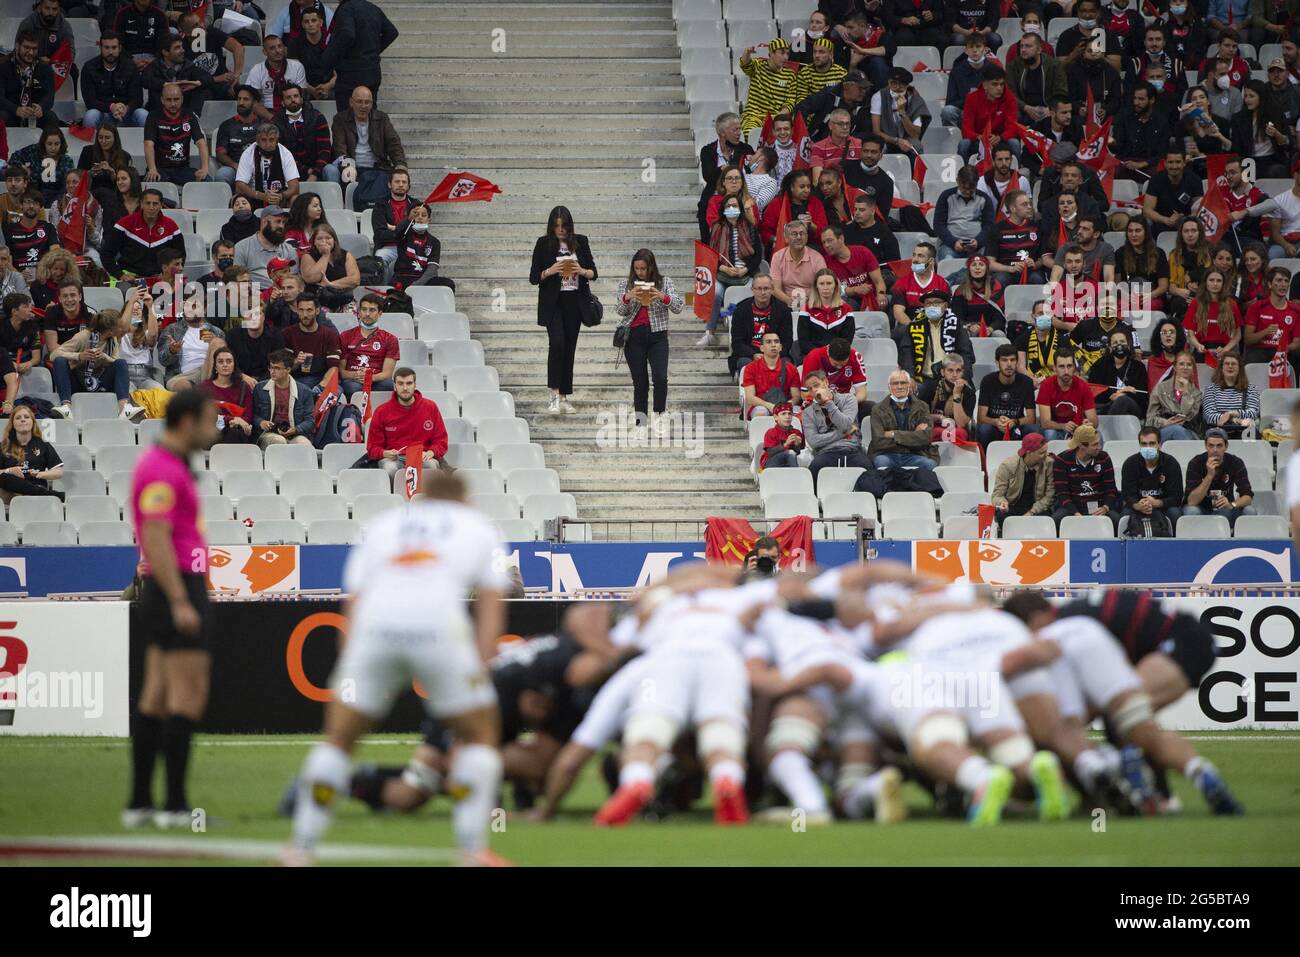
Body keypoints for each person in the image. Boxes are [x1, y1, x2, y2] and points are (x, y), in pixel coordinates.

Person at [284, 468, 508, 867]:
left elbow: (354, 596)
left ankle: (299, 849)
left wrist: (350, 652)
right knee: (477, 739)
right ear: (463, 498)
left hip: (374, 629)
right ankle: (472, 851)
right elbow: (492, 602)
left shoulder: (385, 524)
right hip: (439, 630)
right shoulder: (477, 526)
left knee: (338, 742)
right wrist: (483, 660)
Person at [123, 390, 220, 830]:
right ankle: (176, 807)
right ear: (186, 422)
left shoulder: (170, 464)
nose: (215, 429)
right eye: (209, 420)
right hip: (175, 585)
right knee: (186, 695)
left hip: (171, 585)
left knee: (157, 695)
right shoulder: (163, 469)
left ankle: (142, 802)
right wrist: (181, 599)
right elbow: (157, 537)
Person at [529, 205, 597, 415]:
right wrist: (550, 271)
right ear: (551, 226)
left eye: (564, 226)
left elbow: (594, 272)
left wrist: (581, 270)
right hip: (553, 302)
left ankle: (564, 396)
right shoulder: (543, 244)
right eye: (557, 226)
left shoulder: (581, 241)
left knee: (569, 347)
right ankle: (553, 394)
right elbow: (533, 277)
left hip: (575, 301)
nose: (560, 230)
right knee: (557, 343)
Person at [615, 249, 683, 437]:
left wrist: (661, 296)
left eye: (643, 268)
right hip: (634, 335)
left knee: (660, 377)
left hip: (658, 335)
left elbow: (679, 306)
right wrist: (628, 297)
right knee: (640, 381)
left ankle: (660, 414)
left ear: (651, 267)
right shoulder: (626, 284)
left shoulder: (665, 282)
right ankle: (640, 422)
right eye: (636, 268)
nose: (640, 272)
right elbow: (619, 310)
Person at [326, 86, 407, 211]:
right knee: (333, 170)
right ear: (351, 102)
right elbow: (339, 146)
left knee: (393, 178)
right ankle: (340, 209)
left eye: (367, 102)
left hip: (377, 167)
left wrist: (400, 164)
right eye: (359, 102)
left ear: (372, 103)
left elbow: (393, 143)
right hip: (351, 167)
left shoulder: (381, 118)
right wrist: (347, 164)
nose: (363, 106)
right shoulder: (340, 119)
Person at [50, 310, 140, 420]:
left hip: (99, 381)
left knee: (121, 363)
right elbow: (53, 354)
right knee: (60, 361)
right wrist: (79, 356)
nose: (123, 329)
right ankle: (66, 407)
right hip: (77, 382)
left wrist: (104, 357)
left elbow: (115, 361)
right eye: (120, 327)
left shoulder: (112, 340)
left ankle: (124, 409)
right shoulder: (83, 337)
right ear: (111, 330)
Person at [697, 194, 762, 346]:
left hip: (745, 275)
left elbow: (758, 256)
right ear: (723, 209)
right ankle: (710, 332)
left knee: (755, 294)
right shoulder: (716, 228)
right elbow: (709, 256)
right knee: (715, 294)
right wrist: (723, 268)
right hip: (723, 275)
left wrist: (744, 270)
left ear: (740, 208)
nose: (732, 209)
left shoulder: (750, 227)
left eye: (735, 206)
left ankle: (752, 334)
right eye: (728, 206)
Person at [364, 367, 448, 476]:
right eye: (400, 383)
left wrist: (431, 452)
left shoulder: (430, 407)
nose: (405, 388)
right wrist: (384, 453)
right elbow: (372, 447)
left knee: (430, 466)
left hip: (422, 457)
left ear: (415, 385)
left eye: (409, 383)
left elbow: (441, 441)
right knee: (389, 468)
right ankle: (392, 493)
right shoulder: (382, 411)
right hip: (393, 459)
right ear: (394, 386)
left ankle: (427, 493)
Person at [321, 0, 400, 111]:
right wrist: (373, 51)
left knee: (346, 117)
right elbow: (391, 32)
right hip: (372, 70)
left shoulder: (346, 8)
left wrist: (333, 59)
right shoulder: (373, 8)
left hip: (350, 72)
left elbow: (347, 34)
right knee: (371, 115)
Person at [1051, 423, 1120, 532]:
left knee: (1116, 520)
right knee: (1056, 520)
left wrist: (1105, 508)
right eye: (1095, 444)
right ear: (1082, 445)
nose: (1099, 447)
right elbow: (1062, 494)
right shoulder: (1062, 460)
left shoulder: (1104, 457)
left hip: (1100, 506)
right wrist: (1075, 513)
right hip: (1073, 507)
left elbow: (1111, 489)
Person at [896, 288, 974, 383]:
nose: (932, 306)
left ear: (945, 306)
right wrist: (910, 377)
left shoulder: (956, 324)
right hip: (922, 379)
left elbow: (966, 353)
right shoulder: (914, 325)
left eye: (937, 302)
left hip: (952, 378)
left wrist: (964, 378)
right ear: (924, 306)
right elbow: (906, 353)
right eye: (928, 303)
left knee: (965, 394)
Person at [1183, 428, 1256, 528]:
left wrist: (1232, 504)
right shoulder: (1195, 463)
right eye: (1211, 446)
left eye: (1219, 446)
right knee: (1191, 511)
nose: (1215, 450)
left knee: (1250, 511)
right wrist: (1209, 475)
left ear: (1226, 446)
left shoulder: (1235, 462)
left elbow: (1248, 496)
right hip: (1202, 510)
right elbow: (1192, 502)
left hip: (1227, 508)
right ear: (1206, 446)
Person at [143, 83, 211, 187]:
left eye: (176, 99)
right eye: (169, 100)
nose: (173, 104)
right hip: (160, 169)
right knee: (151, 180)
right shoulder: (153, 116)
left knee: (206, 179)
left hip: (183, 169)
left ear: (182, 99)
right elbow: (148, 144)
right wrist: (152, 169)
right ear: (162, 100)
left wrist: (205, 169)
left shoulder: (189, 115)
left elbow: (201, 143)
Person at [867, 369, 936, 471]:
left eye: (903, 383)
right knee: (881, 462)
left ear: (909, 385)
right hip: (886, 455)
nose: (899, 387)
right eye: (895, 383)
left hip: (915, 454)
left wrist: (893, 434)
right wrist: (913, 435)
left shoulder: (922, 407)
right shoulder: (877, 409)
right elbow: (879, 442)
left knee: (930, 464)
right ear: (889, 387)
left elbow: (926, 438)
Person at [1121, 427, 1185, 533]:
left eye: (1152, 443)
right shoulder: (1130, 463)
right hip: (1138, 505)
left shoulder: (1171, 463)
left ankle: (1175, 544)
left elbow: (1176, 496)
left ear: (1159, 444)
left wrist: (1156, 503)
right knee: (1124, 514)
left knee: (1175, 513)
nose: (1148, 447)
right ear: (1139, 445)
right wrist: (1138, 505)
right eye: (1144, 444)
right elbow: (1128, 495)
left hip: (1163, 506)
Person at [81, 31, 149, 129]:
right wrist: (111, 107)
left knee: (143, 115)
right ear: (100, 48)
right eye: (107, 48)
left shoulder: (131, 66)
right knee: (90, 116)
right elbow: (90, 101)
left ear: (120, 48)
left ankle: (146, 144)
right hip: (103, 113)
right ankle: (92, 144)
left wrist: (126, 108)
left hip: (126, 113)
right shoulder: (89, 68)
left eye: (114, 47)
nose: (110, 52)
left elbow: (137, 99)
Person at [1231, 165, 1300, 261]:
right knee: (1272, 256)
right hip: (1284, 241)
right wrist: (1287, 245)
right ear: (1295, 175)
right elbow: (1274, 234)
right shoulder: (1280, 200)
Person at [975, 342, 1039, 446]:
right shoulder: (987, 381)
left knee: (1032, 429)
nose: (1009, 364)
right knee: (984, 429)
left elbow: (1031, 418)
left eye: (1012, 360)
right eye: (1004, 360)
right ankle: (985, 460)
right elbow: (981, 418)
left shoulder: (1026, 382)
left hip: (1016, 425)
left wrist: (1014, 422)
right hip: (994, 426)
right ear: (997, 362)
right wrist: (996, 422)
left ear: (1017, 362)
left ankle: (1028, 460)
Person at [728, 274, 792, 376]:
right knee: (745, 364)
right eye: (759, 288)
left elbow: (787, 342)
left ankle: (780, 392)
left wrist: (771, 354)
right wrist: (753, 354)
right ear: (752, 290)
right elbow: (737, 342)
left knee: (787, 365)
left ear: (772, 290)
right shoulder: (741, 309)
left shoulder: (783, 310)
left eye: (766, 288)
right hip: (749, 354)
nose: (763, 292)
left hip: (776, 353)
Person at [254, 348, 317, 449]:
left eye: (277, 368)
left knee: (304, 445)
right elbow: (253, 415)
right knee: (279, 441)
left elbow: (310, 421)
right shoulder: (260, 388)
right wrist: (261, 422)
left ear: (288, 369)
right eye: (271, 367)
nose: (272, 371)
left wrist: (296, 429)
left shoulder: (304, 391)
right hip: (268, 433)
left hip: (295, 434)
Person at [0, 404, 63, 504]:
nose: (23, 420)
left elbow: (59, 472)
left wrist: (40, 474)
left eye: (26, 417)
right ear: (12, 423)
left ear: (33, 422)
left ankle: (34, 492)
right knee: (3, 477)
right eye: (18, 418)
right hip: (11, 493)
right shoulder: (3, 446)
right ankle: (48, 494)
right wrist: (9, 470)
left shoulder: (43, 445)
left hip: (37, 486)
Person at [339, 293, 398, 399]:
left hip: (377, 379)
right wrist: (355, 375)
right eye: (364, 309)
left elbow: (387, 374)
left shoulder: (390, 339)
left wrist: (370, 377)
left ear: (380, 313)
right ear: (359, 312)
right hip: (353, 379)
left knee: (388, 385)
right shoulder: (345, 336)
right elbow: (341, 372)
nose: (367, 314)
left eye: (372, 310)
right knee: (352, 388)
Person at [159, 296, 225, 390]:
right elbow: (163, 361)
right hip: (181, 376)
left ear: (204, 309)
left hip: (208, 373)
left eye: (194, 306)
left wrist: (215, 344)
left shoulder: (216, 332)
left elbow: (227, 359)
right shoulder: (172, 330)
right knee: (185, 386)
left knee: (217, 344)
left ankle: (208, 387)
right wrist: (172, 351)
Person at [1231, 79, 1292, 179]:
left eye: (1251, 96)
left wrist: (1277, 134)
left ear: (1261, 97)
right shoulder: (1238, 119)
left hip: (1272, 159)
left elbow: (1289, 144)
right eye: (1245, 96)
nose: (1247, 100)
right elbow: (1237, 149)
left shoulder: (1276, 115)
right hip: (1249, 161)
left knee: (1276, 170)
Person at [801, 336, 871, 423]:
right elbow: (805, 393)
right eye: (835, 364)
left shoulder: (855, 356)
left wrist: (847, 403)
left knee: (870, 407)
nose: (839, 367)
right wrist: (828, 404)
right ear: (828, 352)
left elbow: (862, 393)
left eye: (843, 364)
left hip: (845, 402)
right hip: (821, 402)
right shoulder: (813, 357)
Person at [281, 290, 341, 391]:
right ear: (296, 310)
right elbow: (284, 368)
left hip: (322, 378)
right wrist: (297, 362)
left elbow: (334, 368)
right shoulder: (288, 334)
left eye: (309, 310)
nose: (305, 314)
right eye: (301, 310)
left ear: (317, 311)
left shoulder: (330, 335)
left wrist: (321, 386)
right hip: (296, 380)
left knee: (337, 390)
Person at [935, 166, 996, 263]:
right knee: (948, 260)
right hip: (950, 245)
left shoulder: (984, 198)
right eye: (964, 188)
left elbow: (989, 225)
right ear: (957, 181)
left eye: (971, 188)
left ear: (977, 183)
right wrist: (953, 242)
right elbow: (939, 225)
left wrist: (978, 241)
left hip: (978, 246)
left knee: (986, 261)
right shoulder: (946, 196)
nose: (968, 192)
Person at [1242, 267, 1300, 370]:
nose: (1283, 284)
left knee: (1296, 355)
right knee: (1252, 356)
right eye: (1279, 280)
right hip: (1261, 350)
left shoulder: (1296, 310)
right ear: (1269, 284)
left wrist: (1286, 348)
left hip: (1285, 351)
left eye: (1286, 281)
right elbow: (1248, 339)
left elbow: (1297, 342)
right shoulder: (1257, 307)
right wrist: (1265, 332)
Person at [275, 84, 333, 186]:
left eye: (296, 96)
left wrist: (314, 172)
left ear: (301, 99)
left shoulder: (318, 117)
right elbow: (281, 155)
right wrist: (306, 170)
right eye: (288, 97)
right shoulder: (276, 123)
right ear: (283, 103)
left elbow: (325, 151)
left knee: (331, 170)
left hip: (318, 166)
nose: (293, 100)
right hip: (290, 169)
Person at [234, 123, 301, 212]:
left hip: (280, 197)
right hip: (254, 196)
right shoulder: (248, 154)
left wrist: (281, 196)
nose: (268, 144)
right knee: (237, 199)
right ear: (257, 141)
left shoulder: (286, 154)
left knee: (296, 199)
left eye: (271, 140)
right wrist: (261, 195)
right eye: (264, 140)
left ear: (277, 141)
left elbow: (295, 187)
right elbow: (239, 186)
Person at [990, 431, 1053, 524]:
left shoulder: (1049, 464)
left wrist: (1031, 513)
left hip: (1038, 508)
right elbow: (997, 495)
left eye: (1046, 451)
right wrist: (1002, 503)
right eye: (1041, 453)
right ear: (1029, 453)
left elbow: (1049, 496)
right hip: (1014, 506)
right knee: (1001, 516)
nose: (1046, 455)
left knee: (1047, 518)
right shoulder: (1007, 466)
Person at [960, 64, 1020, 162]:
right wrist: (979, 137)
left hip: (1000, 141)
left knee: (1014, 143)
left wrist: (1000, 137)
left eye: (1002, 84)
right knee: (964, 144)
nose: (999, 88)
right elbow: (966, 128)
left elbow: (1012, 127)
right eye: (994, 84)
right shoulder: (971, 98)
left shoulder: (1010, 98)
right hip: (979, 140)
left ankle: (1016, 173)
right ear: (985, 85)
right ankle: (966, 173)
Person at [760, 170, 829, 255]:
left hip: (810, 248)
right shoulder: (776, 203)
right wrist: (780, 241)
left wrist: (811, 225)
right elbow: (765, 232)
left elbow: (824, 232)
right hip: (782, 249)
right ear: (792, 187)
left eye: (808, 186)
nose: (806, 190)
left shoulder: (816, 203)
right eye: (802, 187)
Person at [738, 38, 798, 135]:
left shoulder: (790, 75)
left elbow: (790, 103)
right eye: (782, 53)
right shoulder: (758, 66)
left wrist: (778, 117)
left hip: (776, 118)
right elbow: (745, 64)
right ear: (771, 53)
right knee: (750, 132)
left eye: (787, 54)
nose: (786, 57)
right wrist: (747, 52)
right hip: (753, 116)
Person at [1183, 269, 1242, 365]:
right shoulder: (1196, 303)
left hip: (1224, 349)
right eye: (1211, 280)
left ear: (1223, 284)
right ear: (1206, 282)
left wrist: (1226, 349)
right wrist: (1198, 346)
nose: (1215, 284)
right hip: (1202, 349)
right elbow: (1190, 334)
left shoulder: (1232, 304)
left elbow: (1237, 335)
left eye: (1219, 281)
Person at [769, 220, 827, 314]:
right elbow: (775, 288)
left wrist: (807, 302)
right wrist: (790, 301)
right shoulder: (778, 257)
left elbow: (823, 285)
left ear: (807, 237)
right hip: (785, 302)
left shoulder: (817, 258)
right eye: (794, 234)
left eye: (802, 233)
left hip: (812, 303)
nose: (799, 237)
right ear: (786, 238)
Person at [1036, 351, 1098, 441]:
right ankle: (1051, 455)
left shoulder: (1083, 386)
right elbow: (1045, 422)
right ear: (1054, 368)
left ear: (1074, 368)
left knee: (1097, 435)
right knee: (1050, 433)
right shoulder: (1046, 385)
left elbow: (1094, 420)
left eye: (1069, 366)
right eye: (1061, 367)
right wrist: (1063, 426)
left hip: (1078, 430)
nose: (1066, 371)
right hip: (1056, 430)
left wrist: (1089, 423)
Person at [370, 169, 418, 282]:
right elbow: (380, 234)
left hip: (410, 247)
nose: (401, 185)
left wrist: (394, 228)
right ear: (389, 184)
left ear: (408, 185)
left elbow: (418, 232)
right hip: (388, 247)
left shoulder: (416, 205)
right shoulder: (380, 205)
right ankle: (385, 290)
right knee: (380, 258)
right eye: (397, 181)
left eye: (404, 182)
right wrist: (403, 230)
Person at [1142, 148, 1203, 238]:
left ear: (1184, 163)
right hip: (1161, 221)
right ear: (1165, 164)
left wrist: (1184, 220)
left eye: (1178, 162)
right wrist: (1166, 220)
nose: (1174, 166)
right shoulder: (1155, 180)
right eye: (1170, 162)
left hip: (1187, 223)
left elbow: (1198, 209)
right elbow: (1147, 210)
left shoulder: (1195, 180)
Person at [1088, 329, 1148, 419]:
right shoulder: (1100, 365)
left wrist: (1125, 395)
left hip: (1133, 408)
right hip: (1106, 406)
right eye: (1115, 343)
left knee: (1122, 401)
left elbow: (1143, 396)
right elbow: (1093, 391)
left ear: (1128, 345)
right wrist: (1112, 396)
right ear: (1109, 347)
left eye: (1122, 341)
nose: (1119, 345)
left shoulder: (1138, 367)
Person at [1199, 353, 1261, 441]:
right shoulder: (1210, 389)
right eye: (1227, 364)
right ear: (1221, 368)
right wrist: (1236, 420)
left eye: (1234, 364)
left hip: (1243, 432)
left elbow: (1253, 413)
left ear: (1239, 368)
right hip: (1217, 432)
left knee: (1252, 434)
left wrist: (1231, 413)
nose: (1230, 366)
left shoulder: (1251, 389)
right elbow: (1209, 416)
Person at [741, 331, 801, 420]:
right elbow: (750, 398)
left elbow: (796, 396)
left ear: (780, 347)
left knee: (800, 413)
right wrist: (770, 406)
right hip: (761, 406)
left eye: (776, 342)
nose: (773, 345)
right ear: (761, 348)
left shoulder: (791, 368)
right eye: (768, 342)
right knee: (760, 413)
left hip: (785, 405)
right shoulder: (750, 368)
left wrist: (784, 407)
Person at [0, 31, 55, 129]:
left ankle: (47, 144)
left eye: (34, 49)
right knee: (2, 117)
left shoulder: (45, 69)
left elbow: (49, 96)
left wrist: (41, 107)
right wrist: (16, 109)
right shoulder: (3, 68)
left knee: (50, 116)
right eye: (27, 47)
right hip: (12, 113)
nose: (31, 52)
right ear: (17, 46)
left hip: (35, 115)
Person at [797, 268, 854, 360]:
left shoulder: (846, 310)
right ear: (816, 286)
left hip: (838, 357)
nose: (825, 287)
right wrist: (821, 355)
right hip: (812, 356)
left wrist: (833, 355)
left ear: (835, 285)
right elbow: (804, 342)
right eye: (822, 284)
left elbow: (846, 341)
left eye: (829, 283)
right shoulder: (806, 309)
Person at [917, 353, 975, 445]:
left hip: (956, 429)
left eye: (958, 371)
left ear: (962, 372)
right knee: (925, 432)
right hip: (933, 426)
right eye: (950, 370)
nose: (955, 374)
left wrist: (956, 395)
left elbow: (961, 424)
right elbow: (919, 417)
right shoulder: (929, 388)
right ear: (942, 372)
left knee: (960, 433)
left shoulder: (968, 391)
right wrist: (939, 418)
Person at [246, 34, 307, 120]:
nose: (278, 51)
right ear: (264, 52)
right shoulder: (257, 70)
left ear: (284, 48)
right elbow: (253, 102)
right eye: (272, 48)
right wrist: (273, 119)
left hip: (292, 110)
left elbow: (300, 98)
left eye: (279, 46)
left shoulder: (297, 67)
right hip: (266, 113)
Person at [202, 347, 255, 444]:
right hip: (211, 430)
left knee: (234, 433)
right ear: (215, 366)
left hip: (235, 431)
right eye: (220, 362)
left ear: (234, 365)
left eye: (229, 361)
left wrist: (237, 422)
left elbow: (248, 417)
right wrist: (232, 419)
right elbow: (202, 415)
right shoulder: (205, 387)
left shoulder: (244, 388)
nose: (225, 365)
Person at [300, 223, 359, 310]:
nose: (324, 241)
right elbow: (312, 278)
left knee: (352, 313)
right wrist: (325, 255)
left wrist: (330, 284)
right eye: (319, 239)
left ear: (334, 240)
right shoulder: (307, 256)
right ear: (314, 242)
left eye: (328, 238)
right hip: (317, 301)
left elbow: (355, 280)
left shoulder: (346, 255)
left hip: (344, 299)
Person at [116, 287, 165, 393]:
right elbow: (123, 327)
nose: (135, 309)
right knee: (127, 393)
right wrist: (132, 301)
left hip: (146, 375)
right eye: (132, 307)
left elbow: (152, 336)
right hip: (125, 375)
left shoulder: (145, 332)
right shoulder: (119, 333)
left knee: (160, 393)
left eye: (139, 308)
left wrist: (150, 306)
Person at [233, 204, 295, 287]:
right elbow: (239, 281)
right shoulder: (242, 247)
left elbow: (294, 280)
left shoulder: (289, 250)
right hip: (253, 295)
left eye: (283, 222)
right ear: (264, 222)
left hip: (283, 293)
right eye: (278, 221)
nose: (282, 226)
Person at [871, 66, 930, 155]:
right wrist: (897, 141)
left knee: (916, 146)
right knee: (879, 146)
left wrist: (902, 112)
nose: (898, 87)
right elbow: (876, 131)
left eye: (902, 84)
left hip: (907, 139)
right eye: (894, 83)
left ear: (907, 85)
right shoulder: (878, 97)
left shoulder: (916, 100)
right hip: (886, 138)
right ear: (888, 82)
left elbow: (915, 135)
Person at [1115, 219, 1168, 313]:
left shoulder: (1158, 253)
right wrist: (1126, 296)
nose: (1133, 234)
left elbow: (1163, 286)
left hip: (1152, 297)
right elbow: (1117, 283)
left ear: (1146, 233)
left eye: (1138, 230)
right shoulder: (1120, 253)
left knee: (1144, 306)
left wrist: (1149, 296)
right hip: (1127, 297)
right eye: (1130, 231)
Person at [1147, 351, 1202, 442]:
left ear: (1193, 368)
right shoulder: (1161, 388)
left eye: (1189, 365)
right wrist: (1166, 422)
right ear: (1174, 367)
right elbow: (1150, 419)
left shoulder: (1197, 394)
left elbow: (1187, 415)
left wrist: (1186, 392)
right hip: (1163, 430)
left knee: (1178, 430)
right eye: (1181, 364)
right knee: (1176, 430)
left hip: (1188, 430)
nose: (1185, 367)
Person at [214, 86, 262, 188]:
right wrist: (236, 166)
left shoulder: (264, 125)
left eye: (246, 99)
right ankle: (231, 202)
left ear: (254, 103)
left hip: (260, 167)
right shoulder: (226, 125)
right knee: (222, 174)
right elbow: (220, 154)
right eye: (239, 99)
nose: (241, 103)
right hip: (235, 167)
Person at [226, 304, 284, 388]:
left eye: (257, 314)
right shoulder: (233, 335)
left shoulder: (276, 336)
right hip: (239, 379)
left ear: (263, 317)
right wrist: (242, 376)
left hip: (269, 381)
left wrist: (260, 383)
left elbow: (278, 363)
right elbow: (229, 363)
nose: (253, 318)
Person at [10, 128, 72, 207]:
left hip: (57, 196)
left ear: (61, 144)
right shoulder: (34, 150)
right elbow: (14, 157)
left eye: (56, 144)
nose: (53, 148)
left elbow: (66, 185)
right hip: (34, 194)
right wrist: (23, 169)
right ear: (43, 143)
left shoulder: (66, 160)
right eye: (49, 144)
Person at [3, 191, 57, 281]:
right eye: (28, 202)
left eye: (35, 203)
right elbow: (7, 261)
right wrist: (18, 276)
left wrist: (45, 272)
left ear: (40, 207)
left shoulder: (48, 228)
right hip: (16, 279)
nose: (31, 206)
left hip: (44, 278)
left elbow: (56, 254)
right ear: (21, 205)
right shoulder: (10, 230)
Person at [951, 255, 1004, 336]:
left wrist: (990, 329)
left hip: (990, 329)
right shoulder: (960, 291)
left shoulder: (996, 287)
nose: (977, 268)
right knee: (964, 334)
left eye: (981, 264)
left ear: (987, 269)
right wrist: (969, 326)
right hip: (969, 328)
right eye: (974, 265)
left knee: (999, 334)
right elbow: (957, 318)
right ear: (969, 270)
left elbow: (1000, 317)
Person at [760, 403, 804, 469]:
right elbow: (770, 452)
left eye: (790, 413)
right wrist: (785, 444)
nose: (787, 416)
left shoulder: (796, 432)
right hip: (770, 462)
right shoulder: (771, 432)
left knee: (795, 455)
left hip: (789, 462)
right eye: (783, 414)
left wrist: (797, 445)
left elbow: (798, 453)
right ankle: (796, 476)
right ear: (776, 417)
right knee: (790, 453)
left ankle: (795, 475)